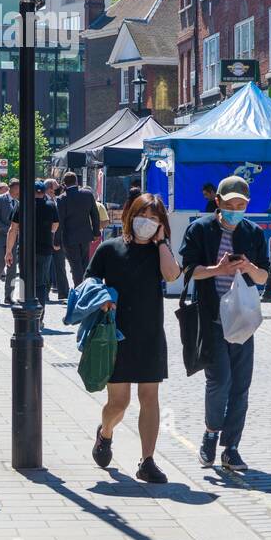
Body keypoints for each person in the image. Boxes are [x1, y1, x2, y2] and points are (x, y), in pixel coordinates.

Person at [87, 193, 181, 484]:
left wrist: (163, 242)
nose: (147, 223)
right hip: (115, 335)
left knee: (149, 397)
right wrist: (101, 298)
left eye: (154, 219)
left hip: (149, 333)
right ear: (131, 216)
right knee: (119, 402)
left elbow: (172, 275)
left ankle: (147, 460)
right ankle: (105, 433)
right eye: (143, 216)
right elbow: (89, 282)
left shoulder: (158, 252)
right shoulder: (109, 249)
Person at [179, 176, 269, 474]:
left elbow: (264, 278)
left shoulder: (253, 233)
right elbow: (189, 271)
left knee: (241, 385)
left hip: (242, 319)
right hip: (212, 317)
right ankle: (210, 433)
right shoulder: (200, 229)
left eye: (240, 205)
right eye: (229, 204)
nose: (235, 209)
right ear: (217, 202)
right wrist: (218, 269)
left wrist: (249, 267)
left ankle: (231, 447)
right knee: (219, 381)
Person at [5, 179, 59, 306]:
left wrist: (8, 251)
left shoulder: (22, 205)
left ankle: (26, 312)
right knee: (41, 283)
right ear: (44, 192)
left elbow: (13, 229)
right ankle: (39, 316)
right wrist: (48, 231)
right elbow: (55, 225)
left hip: (26, 249)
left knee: (25, 279)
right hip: (45, 250)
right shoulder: (51, 205)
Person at [56, 171, 100, 286]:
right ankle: (85, 286)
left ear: (64, 183)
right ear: (76, 181)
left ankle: (79, 288)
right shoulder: (87, 194)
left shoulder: (62, 199)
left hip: (69, 236)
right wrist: (96, 232)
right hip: (85, 234)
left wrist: (56, 240)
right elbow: (94, 214)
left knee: (75, 264)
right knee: (85, 262)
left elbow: (59, 221)